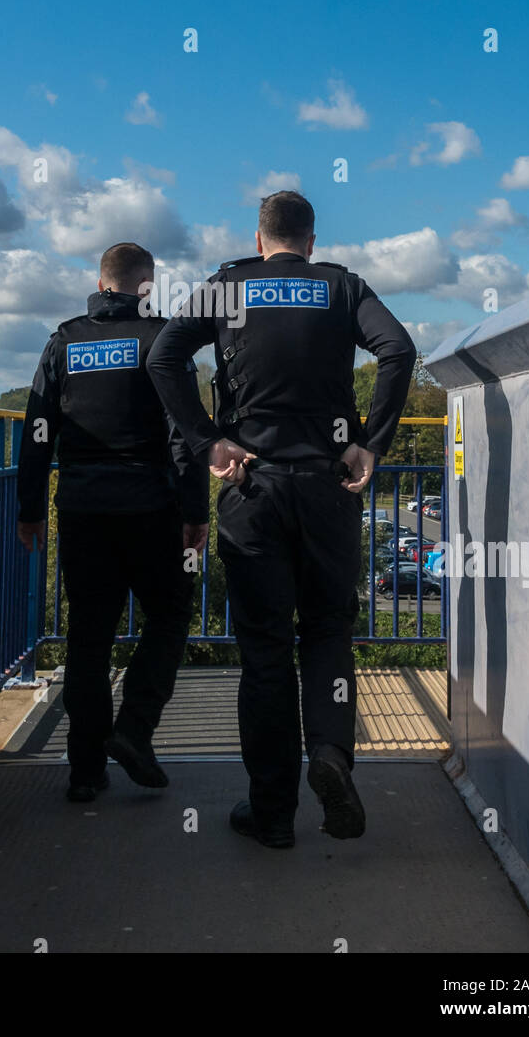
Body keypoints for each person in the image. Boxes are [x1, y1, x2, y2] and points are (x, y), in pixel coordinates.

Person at [146, 192, 416, 848]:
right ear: (312, 240)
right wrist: (369, 443)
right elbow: (399, 351)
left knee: (266, 654)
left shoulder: (226, 288)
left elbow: (162, 358)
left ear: (259, 239)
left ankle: (271, 815)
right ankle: (329, 752)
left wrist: (208, 438)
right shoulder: (341, 287)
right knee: (327, 633)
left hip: (251, 487)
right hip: (329, 488)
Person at [16, 242, 209, 803]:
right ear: (146, 286)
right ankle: (134, 730)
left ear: (100, 282)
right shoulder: (162, 342)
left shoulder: (64, 341)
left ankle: (84, 772)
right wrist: (195, 512)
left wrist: (30, 509)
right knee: (170, 614)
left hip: (81, 508)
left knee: (89, 635)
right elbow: (185, 432)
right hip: (151, 508)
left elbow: (38, 430)